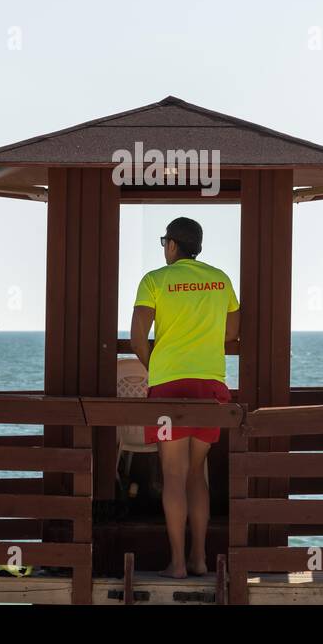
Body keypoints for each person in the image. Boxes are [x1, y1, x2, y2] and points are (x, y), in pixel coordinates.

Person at [130, 216, 239, 579]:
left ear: (172, 245)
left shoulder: (154, 281)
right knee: (196, 474)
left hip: (168, 389)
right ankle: (200, 558)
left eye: (165, 241)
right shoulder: (220, 279)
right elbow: (232, 332)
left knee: (172, 475)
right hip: (211, 388)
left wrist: (157, 366)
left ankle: (177, 564)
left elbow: (136, 336)